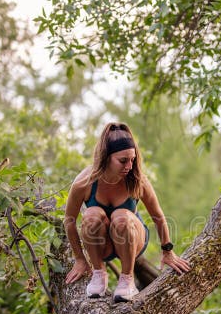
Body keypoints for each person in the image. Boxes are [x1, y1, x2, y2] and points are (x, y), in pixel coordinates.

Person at [64, 122, 191, 301]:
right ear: (106, 157)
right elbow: (69, 221)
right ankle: (99, 273)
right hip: (102, 244)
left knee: (121, 216)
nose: (130, 166)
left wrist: (167, 251)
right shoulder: (83, 183)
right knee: (91, 214)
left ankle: (127, 280)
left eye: (132, 159)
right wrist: (79, 259)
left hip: (133, 238)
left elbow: (158, 216)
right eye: (123, 160)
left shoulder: (137, 180)